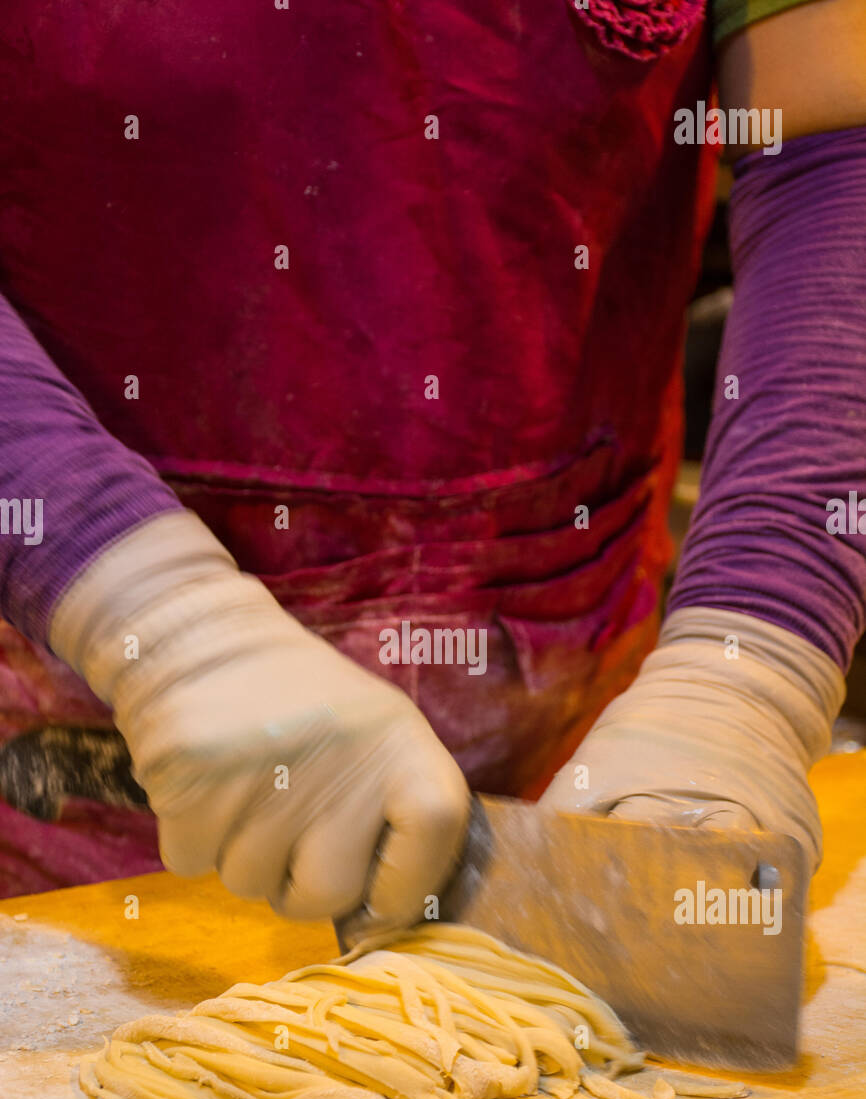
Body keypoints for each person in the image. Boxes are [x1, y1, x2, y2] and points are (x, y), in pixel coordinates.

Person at [0, 1, 864, 926]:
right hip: (56, 726)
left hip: (581, 737)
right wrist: (156, 615)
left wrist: (751, 662)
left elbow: (835, 156)